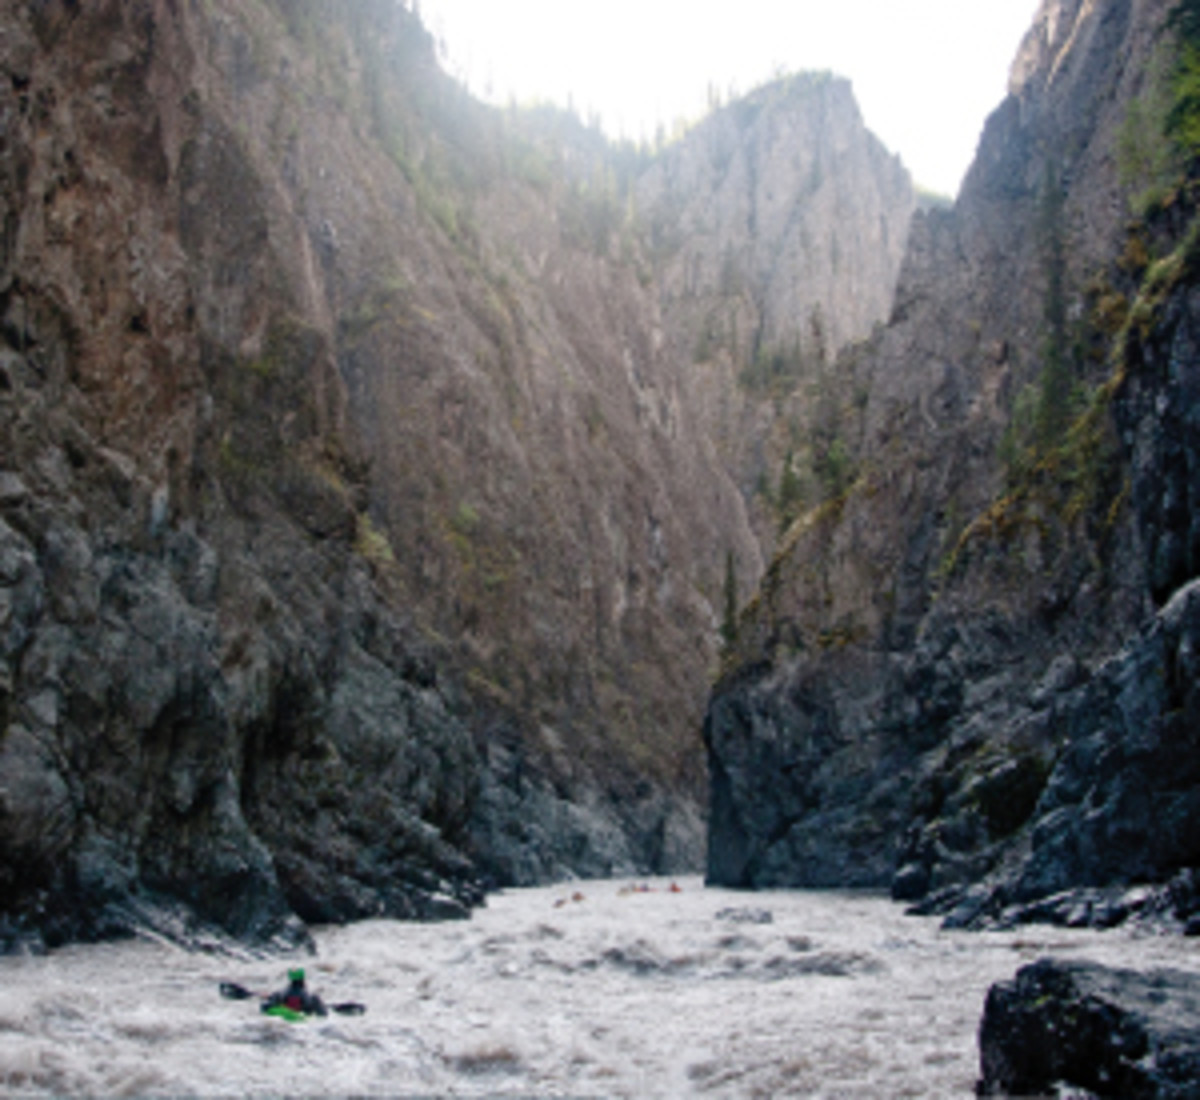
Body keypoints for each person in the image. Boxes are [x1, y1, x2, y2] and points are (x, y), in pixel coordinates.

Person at [262, 968, 328, 1018]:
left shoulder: (279, 993)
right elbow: (323, 1015)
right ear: (302, 978)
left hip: (287, 1013)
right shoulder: (312, 996)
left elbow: (265, 1007)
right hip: (303, 1015)